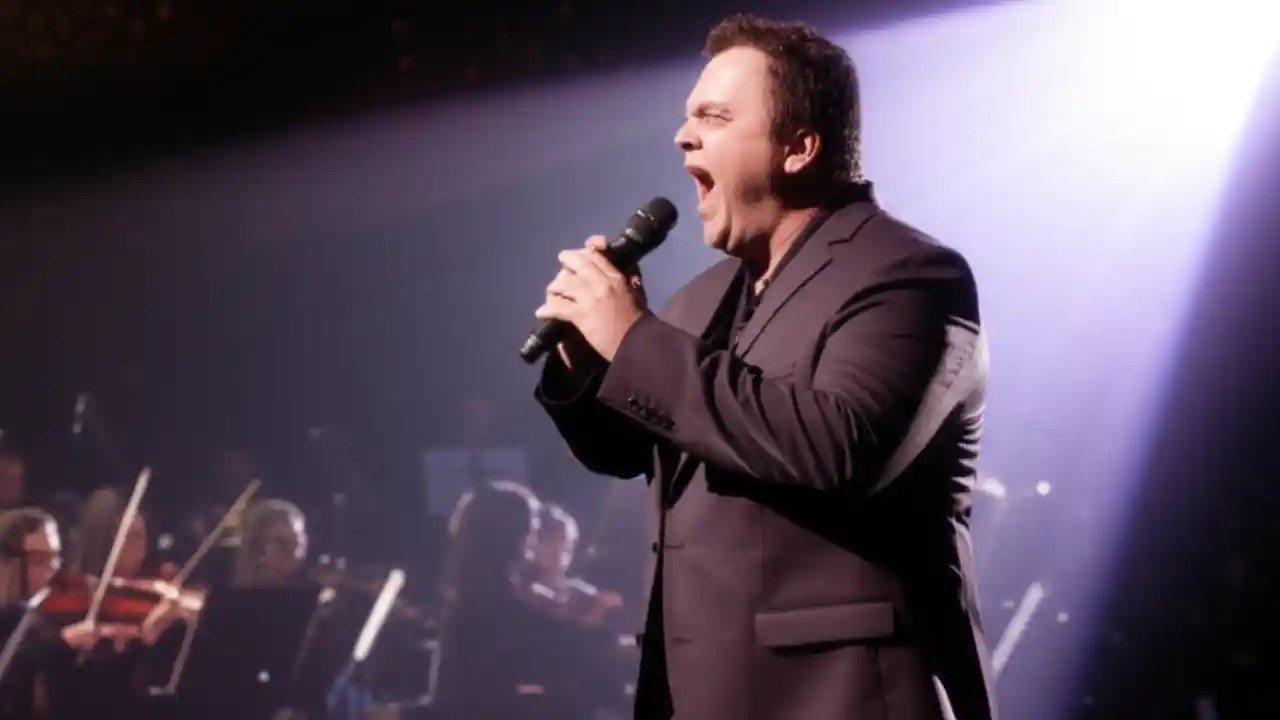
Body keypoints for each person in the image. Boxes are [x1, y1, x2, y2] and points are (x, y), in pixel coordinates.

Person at [533, 14, 994, 720]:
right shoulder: (704, 297)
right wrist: (586, 358)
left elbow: (839, 448)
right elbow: (626, 448)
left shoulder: (910, 274)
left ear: (799, 147)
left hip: (845, 696)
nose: (683, 137)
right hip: (700, 693)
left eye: (714, 117)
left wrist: (635, 340)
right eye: (688, 116)